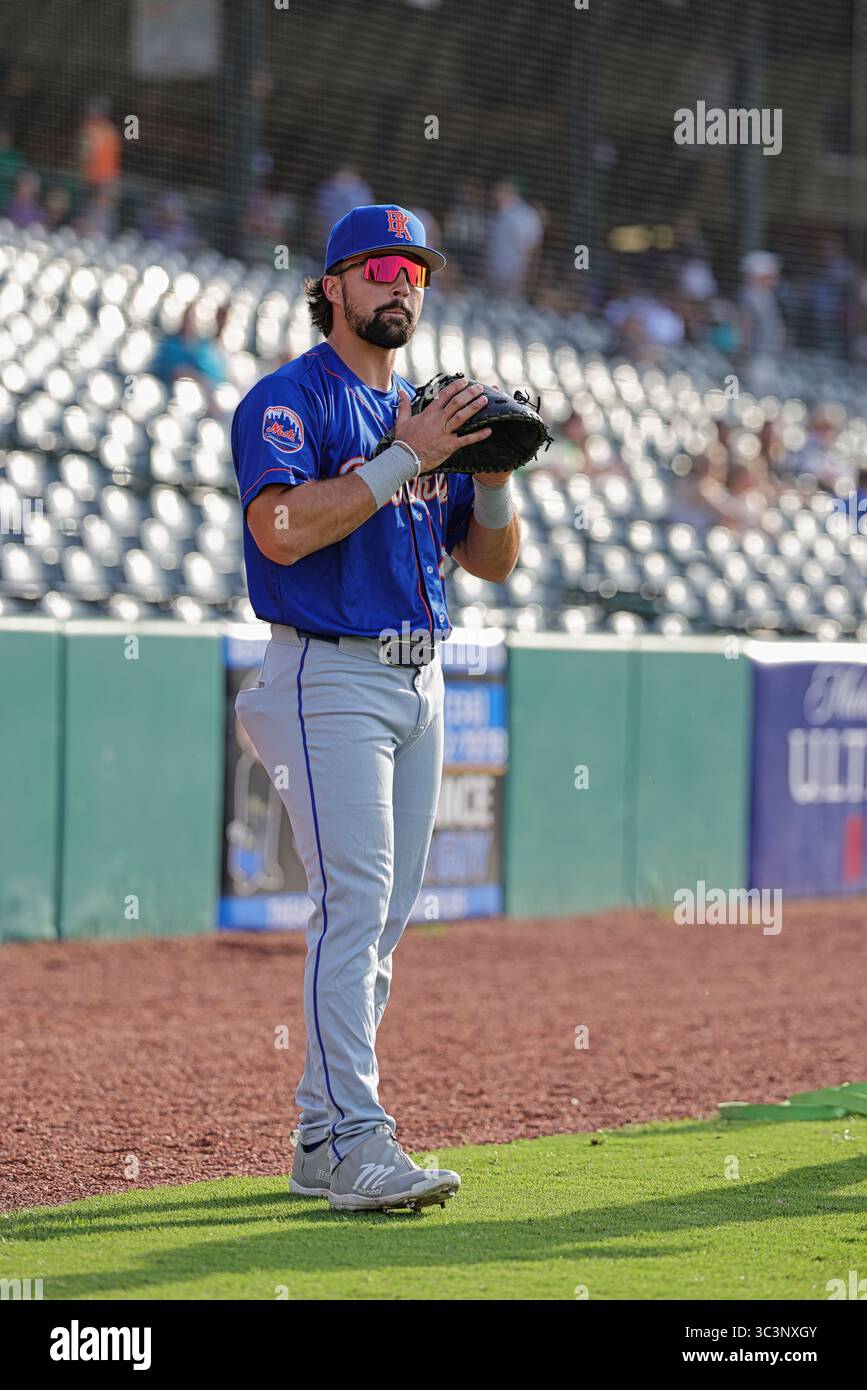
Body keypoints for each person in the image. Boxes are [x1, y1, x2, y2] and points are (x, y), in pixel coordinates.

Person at [231, 204, 519, 1212]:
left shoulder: (429, 414)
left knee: (386, 917)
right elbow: (279, 530)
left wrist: (485, 480)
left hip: (417, 672)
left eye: (416, 271)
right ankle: (357, 1139)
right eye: (381, 265)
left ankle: (319, 1135)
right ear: (334, 287)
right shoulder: (291, 399)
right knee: (354, 906)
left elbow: (486, 561)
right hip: (325, 672)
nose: (401, 283)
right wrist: (407, 457)